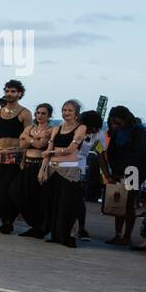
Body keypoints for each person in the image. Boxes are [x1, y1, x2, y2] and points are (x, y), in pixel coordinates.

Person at [40, 100, 89, 248]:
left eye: (69, 111)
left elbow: (71, 149)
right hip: (52, 169)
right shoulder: (57, 128)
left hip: (68, 170)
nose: (66, 113)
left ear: (76, 113)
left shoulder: (81, 128)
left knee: (69, 204)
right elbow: (47, 151)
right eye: (64, 110)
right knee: (54, 204)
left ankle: (70, 236)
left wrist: (52, 151)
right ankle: (56, 234)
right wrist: (42, 169)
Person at [0, 79, 32, 234]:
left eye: (13, 91)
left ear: (19, 93)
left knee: (7, 190)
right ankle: (4, 219)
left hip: (15, 156)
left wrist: (25, 159)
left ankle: (8, 222)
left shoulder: (25, 113)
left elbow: (27, 139)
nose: (9, 94)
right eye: (7, 91)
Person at [101, 105, 146, 245]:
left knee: (128, 204)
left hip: (133, 172)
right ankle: (118, 234)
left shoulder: (138, 131)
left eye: (118, 120)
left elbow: (138, 153)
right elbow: (111, 152)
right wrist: (114, 170)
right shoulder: (117, 131)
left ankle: (127, 236)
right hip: (118, 171)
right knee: (118, 201)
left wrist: (124, 170)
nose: (116, 123)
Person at [16, 103, 55, 238]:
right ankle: (33, 225)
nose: (40, 115)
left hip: (39, 166)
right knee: (19, 193)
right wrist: (33, 139)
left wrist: (27, 138)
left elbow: (40, 145)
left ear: (49, 116)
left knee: (38, 198)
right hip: (27, 164)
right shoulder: (30, 127)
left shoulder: (50, 129)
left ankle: (39, 227)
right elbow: (22, 145)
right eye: (38, 112)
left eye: (43, 113)